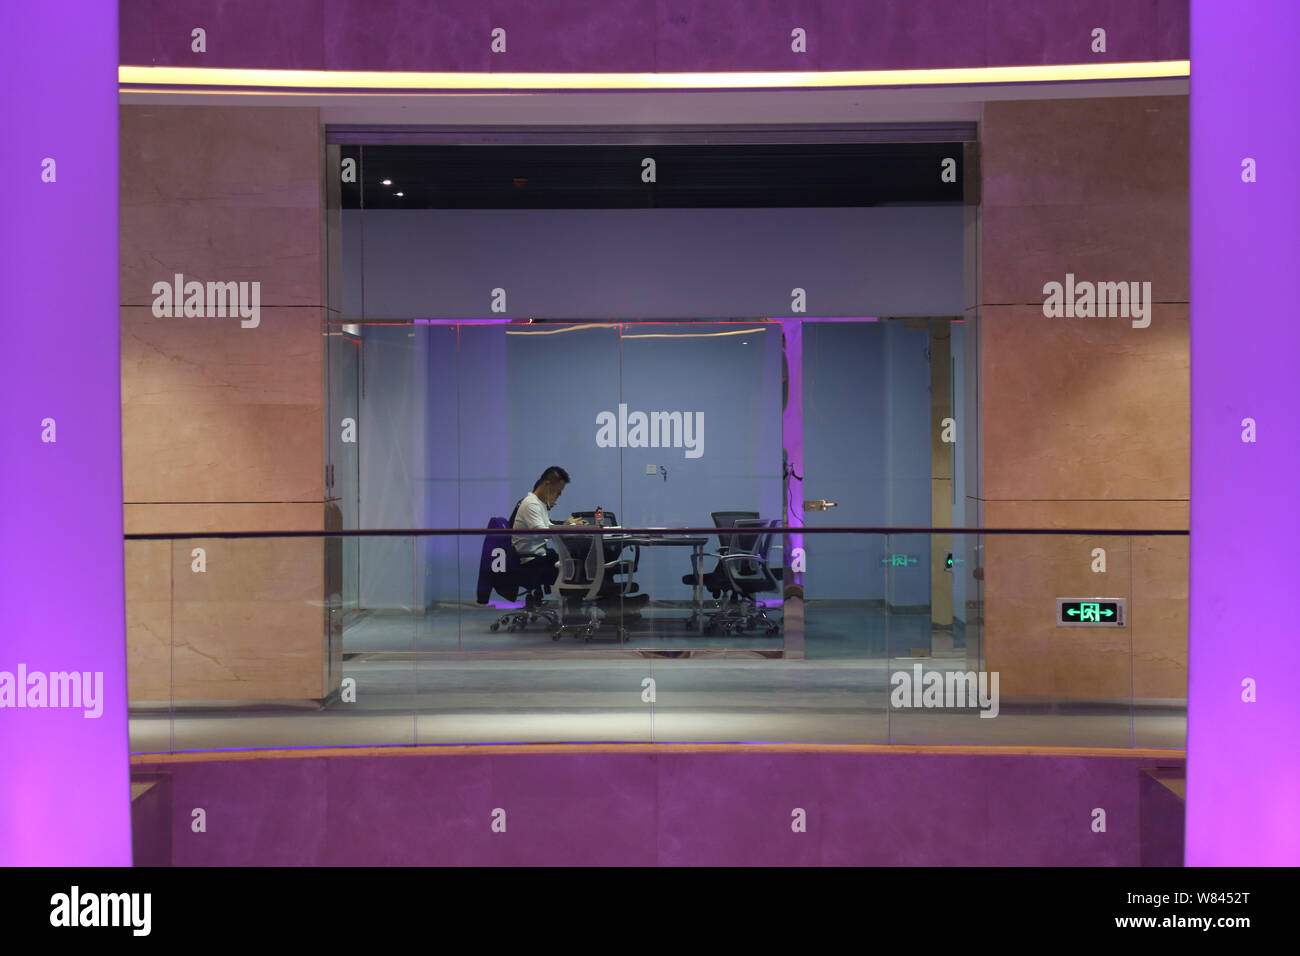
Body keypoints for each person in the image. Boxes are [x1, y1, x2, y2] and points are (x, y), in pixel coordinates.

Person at [510, 466, 586, 583]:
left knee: (577, 564)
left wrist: (568, 525)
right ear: (547, 484)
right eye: (558, 490)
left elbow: (549, 527)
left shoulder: (539, 503)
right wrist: (570, 527)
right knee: (576, 572)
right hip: (532, 563)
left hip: (541, 557)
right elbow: (542, 532)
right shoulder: (531, 504)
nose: (560, 494)